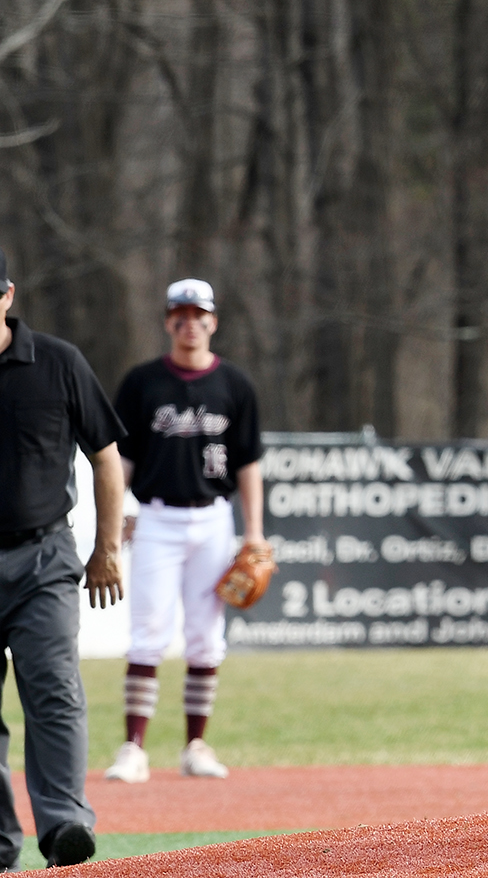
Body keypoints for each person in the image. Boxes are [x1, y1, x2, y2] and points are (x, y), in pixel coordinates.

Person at [105, 278, 264, 783]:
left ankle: (196, 744)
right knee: (147, 633)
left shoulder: (234, 385)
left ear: (213, 322)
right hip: (155, 516)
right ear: (168, 320)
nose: (190, 323)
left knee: (204, 636)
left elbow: (249, 465)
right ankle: (133, 748)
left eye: (199, 315)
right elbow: (121, 458)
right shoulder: (142, 382)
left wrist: (254, 532)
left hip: (213, 518)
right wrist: (116, 518)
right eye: (181, 314)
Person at [0, 250, 126, 868]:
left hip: (43, 557)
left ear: (7, 296)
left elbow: (104, 456)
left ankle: (64, 829)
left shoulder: (57, 362)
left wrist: (107, 549)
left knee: (53, 692)